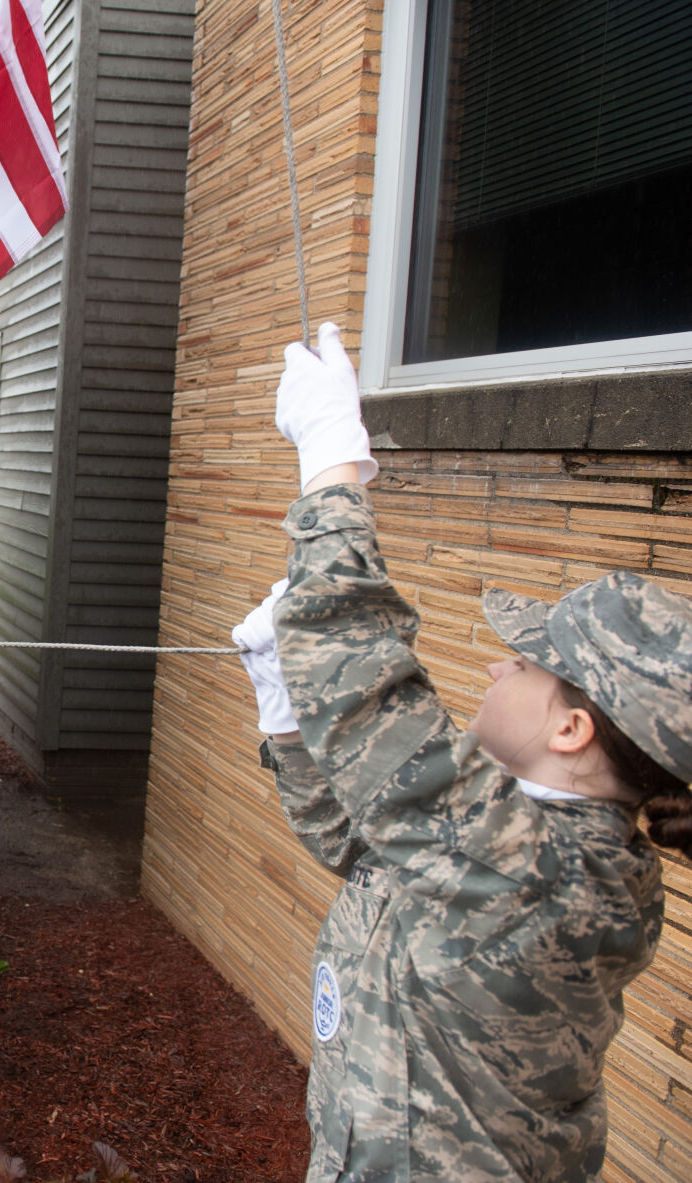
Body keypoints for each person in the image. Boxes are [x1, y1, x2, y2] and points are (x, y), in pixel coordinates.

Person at [234, 322, 692, 1181]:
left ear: (571, 731)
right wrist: (283, 709)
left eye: (522, 662)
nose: (494, 662)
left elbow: (367, 682)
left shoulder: (542, 873)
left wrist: (333, 458)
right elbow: (365, 845)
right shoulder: (526, 844)